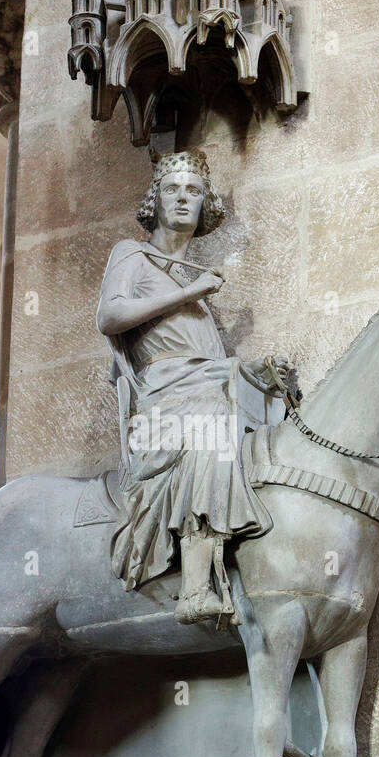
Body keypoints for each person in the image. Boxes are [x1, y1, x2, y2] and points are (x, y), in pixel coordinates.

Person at [97, 149, 283, 624]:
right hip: (162, 397)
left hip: (202, 383)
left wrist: (260, 377)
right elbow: (110, 316)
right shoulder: (132, 255)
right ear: (155, 201)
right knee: (213, 421)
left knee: (271, 416)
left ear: (204, 205)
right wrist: (187, 293)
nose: (183, 198)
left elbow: (211, 361)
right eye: (173, 189)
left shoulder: (194, 283)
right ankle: (196, 587)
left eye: (194, 191)